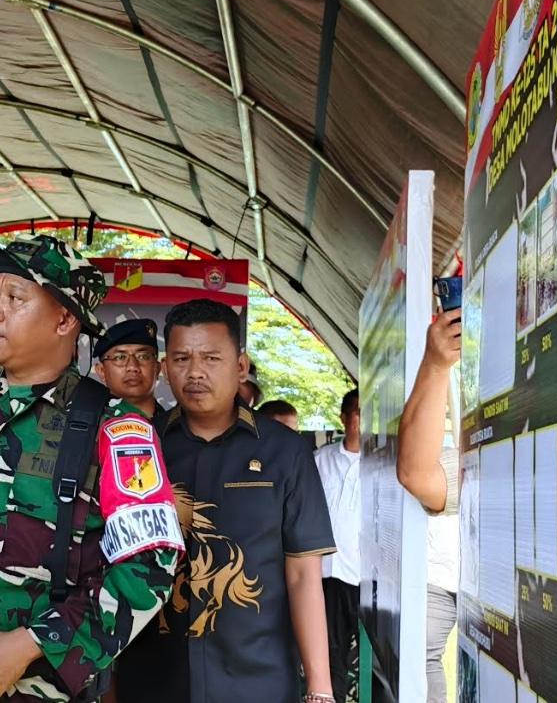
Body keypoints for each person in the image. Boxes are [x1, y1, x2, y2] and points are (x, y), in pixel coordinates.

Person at [0, 234, 184, 702]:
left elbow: (150, 566)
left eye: (15, 297)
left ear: (65, 318)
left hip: (28, 690)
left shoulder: (115, 428)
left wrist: (29, 645)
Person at [121, 299, 336, 703]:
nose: (195, 371)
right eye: (182, 358)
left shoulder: (285, 452)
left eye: (211, 358)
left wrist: (320, 689)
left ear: (240, 366)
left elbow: (304, 575)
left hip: (258, 681)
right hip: (153, 678)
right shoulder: (139, 448)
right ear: (166, 368)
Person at [396, 308, 461, 703]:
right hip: (443, 578)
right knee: (417, 657)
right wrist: (434, 365)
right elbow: (415, 469)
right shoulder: (481, 449)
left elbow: (415, 475)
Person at [315, 389, 362, 702]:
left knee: (378, 658)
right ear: (344, 418)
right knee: (332, 653)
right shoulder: (320, 460)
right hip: (328, 574)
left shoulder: (387, 462)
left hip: (369, 578)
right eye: (359, 412)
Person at [92, 317, 162, 418]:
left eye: (143, 356)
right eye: (120, 357)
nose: (132, 367)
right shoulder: (90, 427)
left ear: (157, 368)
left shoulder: (175, 425)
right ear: (102, 371)